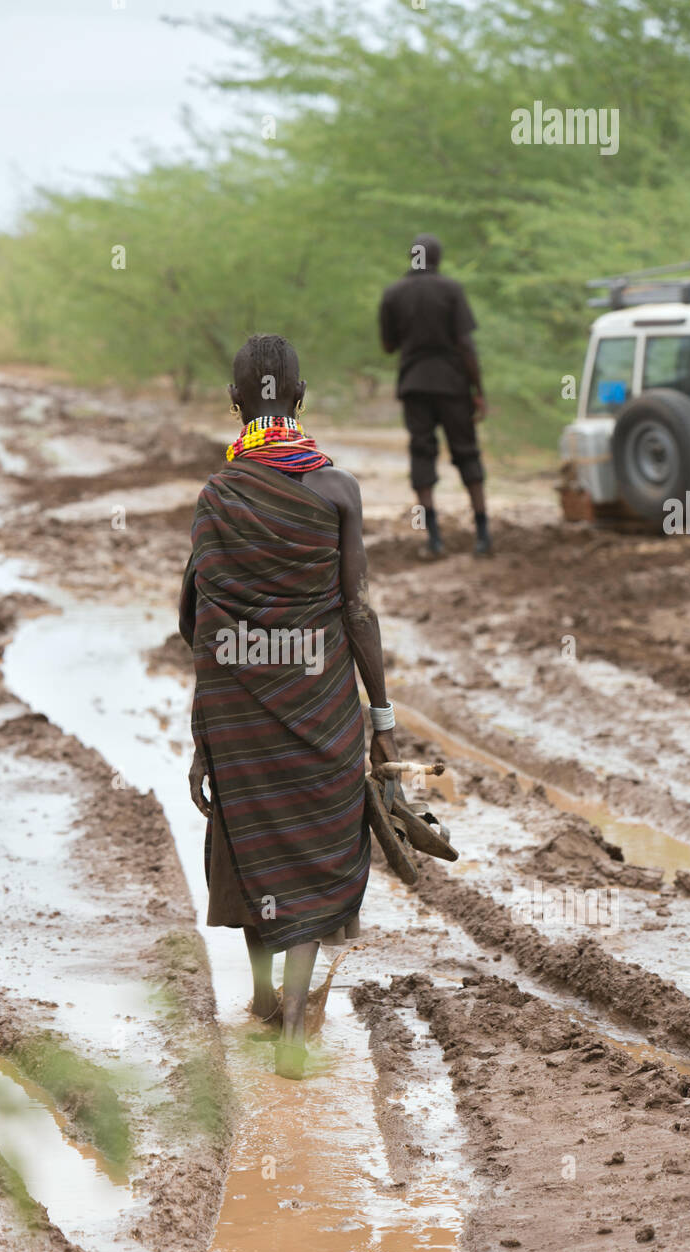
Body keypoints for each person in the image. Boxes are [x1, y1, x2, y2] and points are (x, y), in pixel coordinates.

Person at [179, 334, 398, 1080]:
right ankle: (298, 1028)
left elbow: (197, 623)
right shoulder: (338, 491)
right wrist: (385, 720)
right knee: (313, 850)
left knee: (254, 845)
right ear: (301, 400)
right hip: (325, 707)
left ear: (235, 404)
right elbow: (358, 611)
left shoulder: (218, 496)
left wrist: (204, 738)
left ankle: (265, 997)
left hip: (239, 711)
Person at [379, 233, 492, 557]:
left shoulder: (393, 294)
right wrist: (478, 390)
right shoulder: (451, 290)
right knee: (467, 452)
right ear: (439, 259)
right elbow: (466, 345)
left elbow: (388, 346)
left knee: (422, 453)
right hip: (453, 385)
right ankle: (483, 535)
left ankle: (434, 540)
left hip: (414, 385)